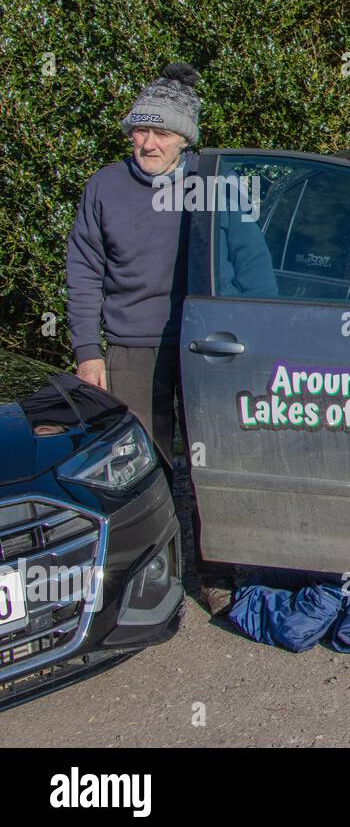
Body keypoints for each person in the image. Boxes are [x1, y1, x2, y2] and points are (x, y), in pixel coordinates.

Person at [65, 61, 234, 613]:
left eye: (161, 131)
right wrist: (88, 353)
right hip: (132, 347)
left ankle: (216, 573)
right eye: (140, 130)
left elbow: (242, 256)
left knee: (211, 462)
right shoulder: (105, 187)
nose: (147, 142)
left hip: (203, 346)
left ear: (184, 137)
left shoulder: (209, 183)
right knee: (143, 469)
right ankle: (151, 576)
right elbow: (84, 270)